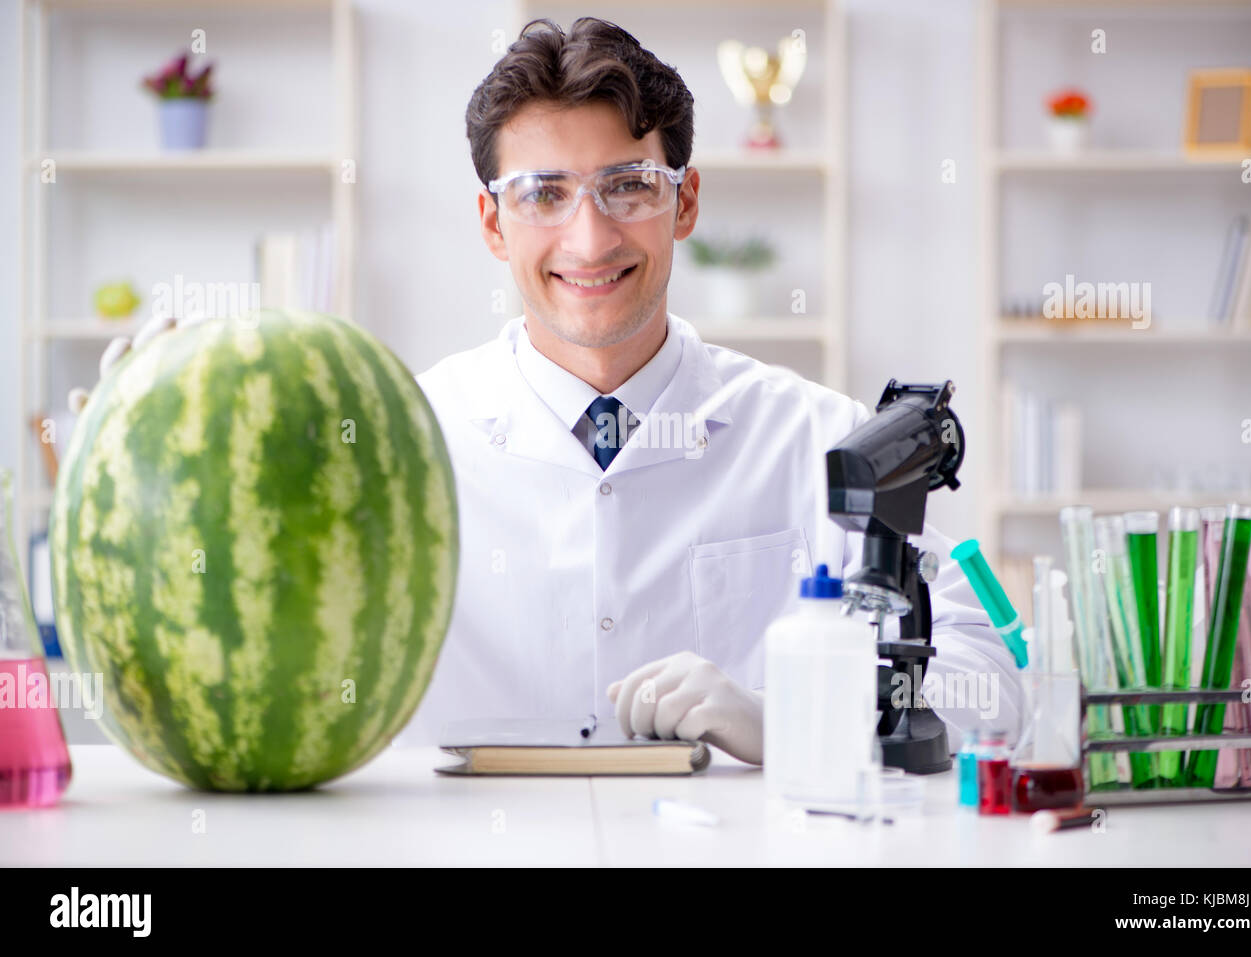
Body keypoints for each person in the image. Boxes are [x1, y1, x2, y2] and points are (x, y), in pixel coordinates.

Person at [82, 18, 1022, 765]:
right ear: (492, 221)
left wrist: (798, 720)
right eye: (544, 194)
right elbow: (245, 631)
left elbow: (996, 674)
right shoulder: (396, 439)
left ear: (685, 202)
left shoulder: (824, 434)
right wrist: (129, 462)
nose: (589, 238)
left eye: (628, 185)